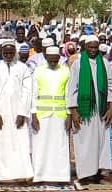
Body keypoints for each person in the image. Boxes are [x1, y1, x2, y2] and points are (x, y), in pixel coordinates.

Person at [68, 35, 112, 184]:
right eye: (90, 47)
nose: (93, 50)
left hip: (101, 110)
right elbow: (72, 88)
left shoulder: (104, 63)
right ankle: (84, 174)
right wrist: (74, 111)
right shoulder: (78, 64)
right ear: (85, 47)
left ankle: (98, 173)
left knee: (101, 142)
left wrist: (111, 108)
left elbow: (111, 86)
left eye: (95, 47)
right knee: (84, 142)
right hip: (85, 112)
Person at [0, 39, 34, 183]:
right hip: (0, 112)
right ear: (1, 52)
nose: (8, 54)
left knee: (19, 143)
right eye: (6, 52)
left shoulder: (23, 68)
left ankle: (20, 174)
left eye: (11, 52)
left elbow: (27, 91)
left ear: (15, 52)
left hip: (18, 112)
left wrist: (23, 113)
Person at [31, 44, 71, 183]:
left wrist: (69, 115)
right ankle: (40, 174)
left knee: (59, 146)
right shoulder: (38, 71)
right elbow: (33, 94)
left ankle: (60, 175)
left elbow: (68, 95)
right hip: (42, 114)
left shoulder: (66, 71)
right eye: (50, 60)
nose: (53, 63)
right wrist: (34, 114)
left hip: (60, 115)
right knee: (41, 145)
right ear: (46, 57)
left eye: (56, 60)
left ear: (59, 58)